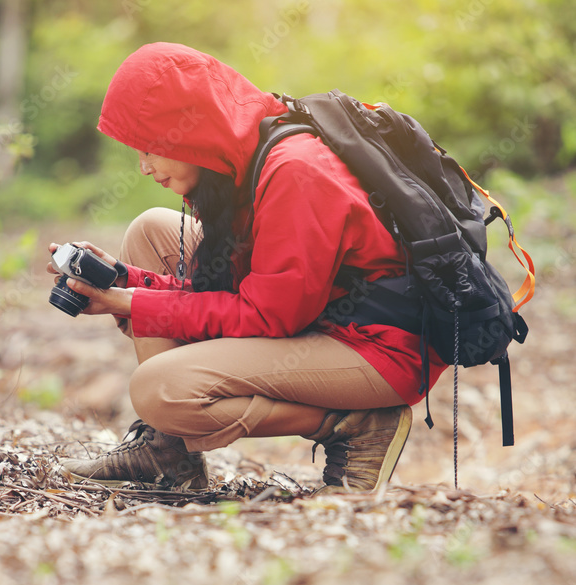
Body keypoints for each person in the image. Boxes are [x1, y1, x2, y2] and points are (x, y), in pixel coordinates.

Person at [50, 42, 448, 492]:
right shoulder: (235, 160)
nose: (143, 167)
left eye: (150, 148)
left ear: (189, 130)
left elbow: (266, 316)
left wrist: (131, 303)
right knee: (150, 231)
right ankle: (168, 452)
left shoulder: (294, 170)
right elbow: (226, 287)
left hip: (377, 348)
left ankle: (360, 423)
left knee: (158, 390)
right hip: (316, 316)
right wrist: (126, 280)